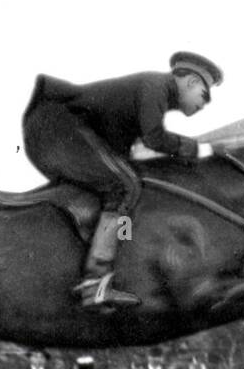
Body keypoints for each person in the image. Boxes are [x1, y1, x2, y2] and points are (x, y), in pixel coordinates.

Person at [21, 51, 223, 310]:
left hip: (55, 130)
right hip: (55, 129)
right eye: (204, 95)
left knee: (120, 180)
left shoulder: (145, 96)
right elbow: (155, 139)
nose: (204, 103)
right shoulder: (156, 86)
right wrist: (196, 149)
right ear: (192, 82)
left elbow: (126, 147)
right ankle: (95, 284)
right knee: (123, 186)